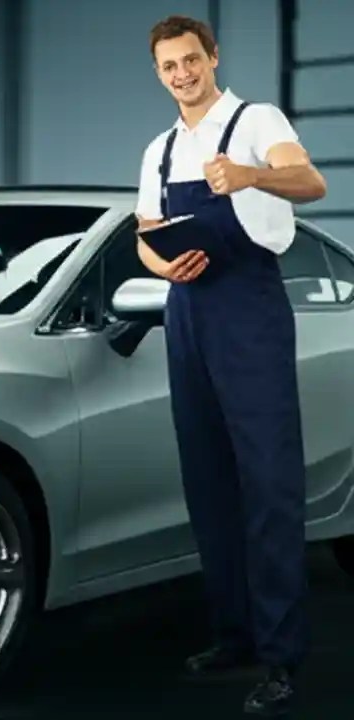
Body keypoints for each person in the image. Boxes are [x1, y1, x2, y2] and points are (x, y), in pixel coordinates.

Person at [134, 15, 328, 717]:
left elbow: (311, 183)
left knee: (269, 483)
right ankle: (235, 637)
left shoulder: (255, 118)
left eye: (191, 59)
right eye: (168, 66)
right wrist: (164, 264)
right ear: (158, 74)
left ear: (212, 57)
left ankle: (281, 659)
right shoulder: (158, 149)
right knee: (209, 480)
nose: (182, 74)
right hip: (186, 310)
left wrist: (249, 175)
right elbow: (145, 237)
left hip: (249, 308)